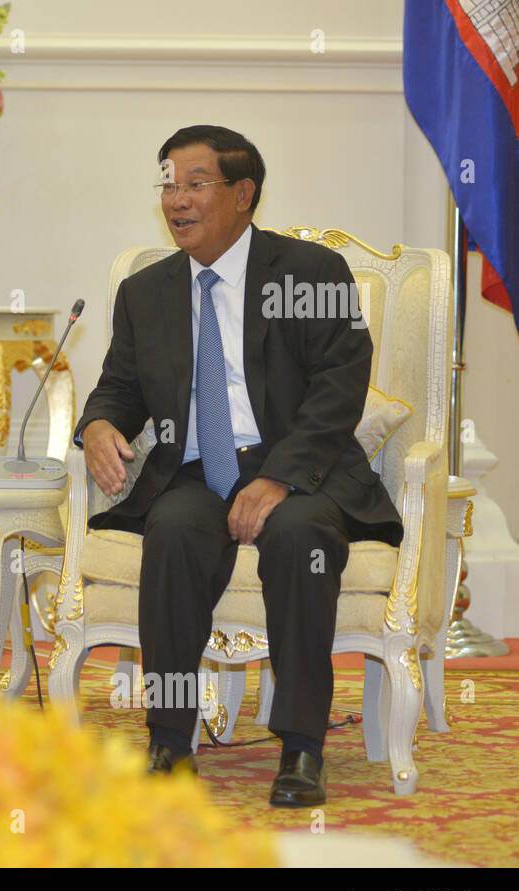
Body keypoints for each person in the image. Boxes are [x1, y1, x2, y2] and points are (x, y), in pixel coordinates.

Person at [74, 125, 402, 807]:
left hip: (300, 474)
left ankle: (302, 748)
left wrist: (278, 475)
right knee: (171, 529)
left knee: (302, 539)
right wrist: (99, 422)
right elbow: (120, 386)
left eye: (195, 184)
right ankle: (169, 738)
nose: (177, 199)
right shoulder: (147, 291)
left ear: (243, 194)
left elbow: (340, 384)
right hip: (195, 473)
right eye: (168, 183)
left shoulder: (313, 273)